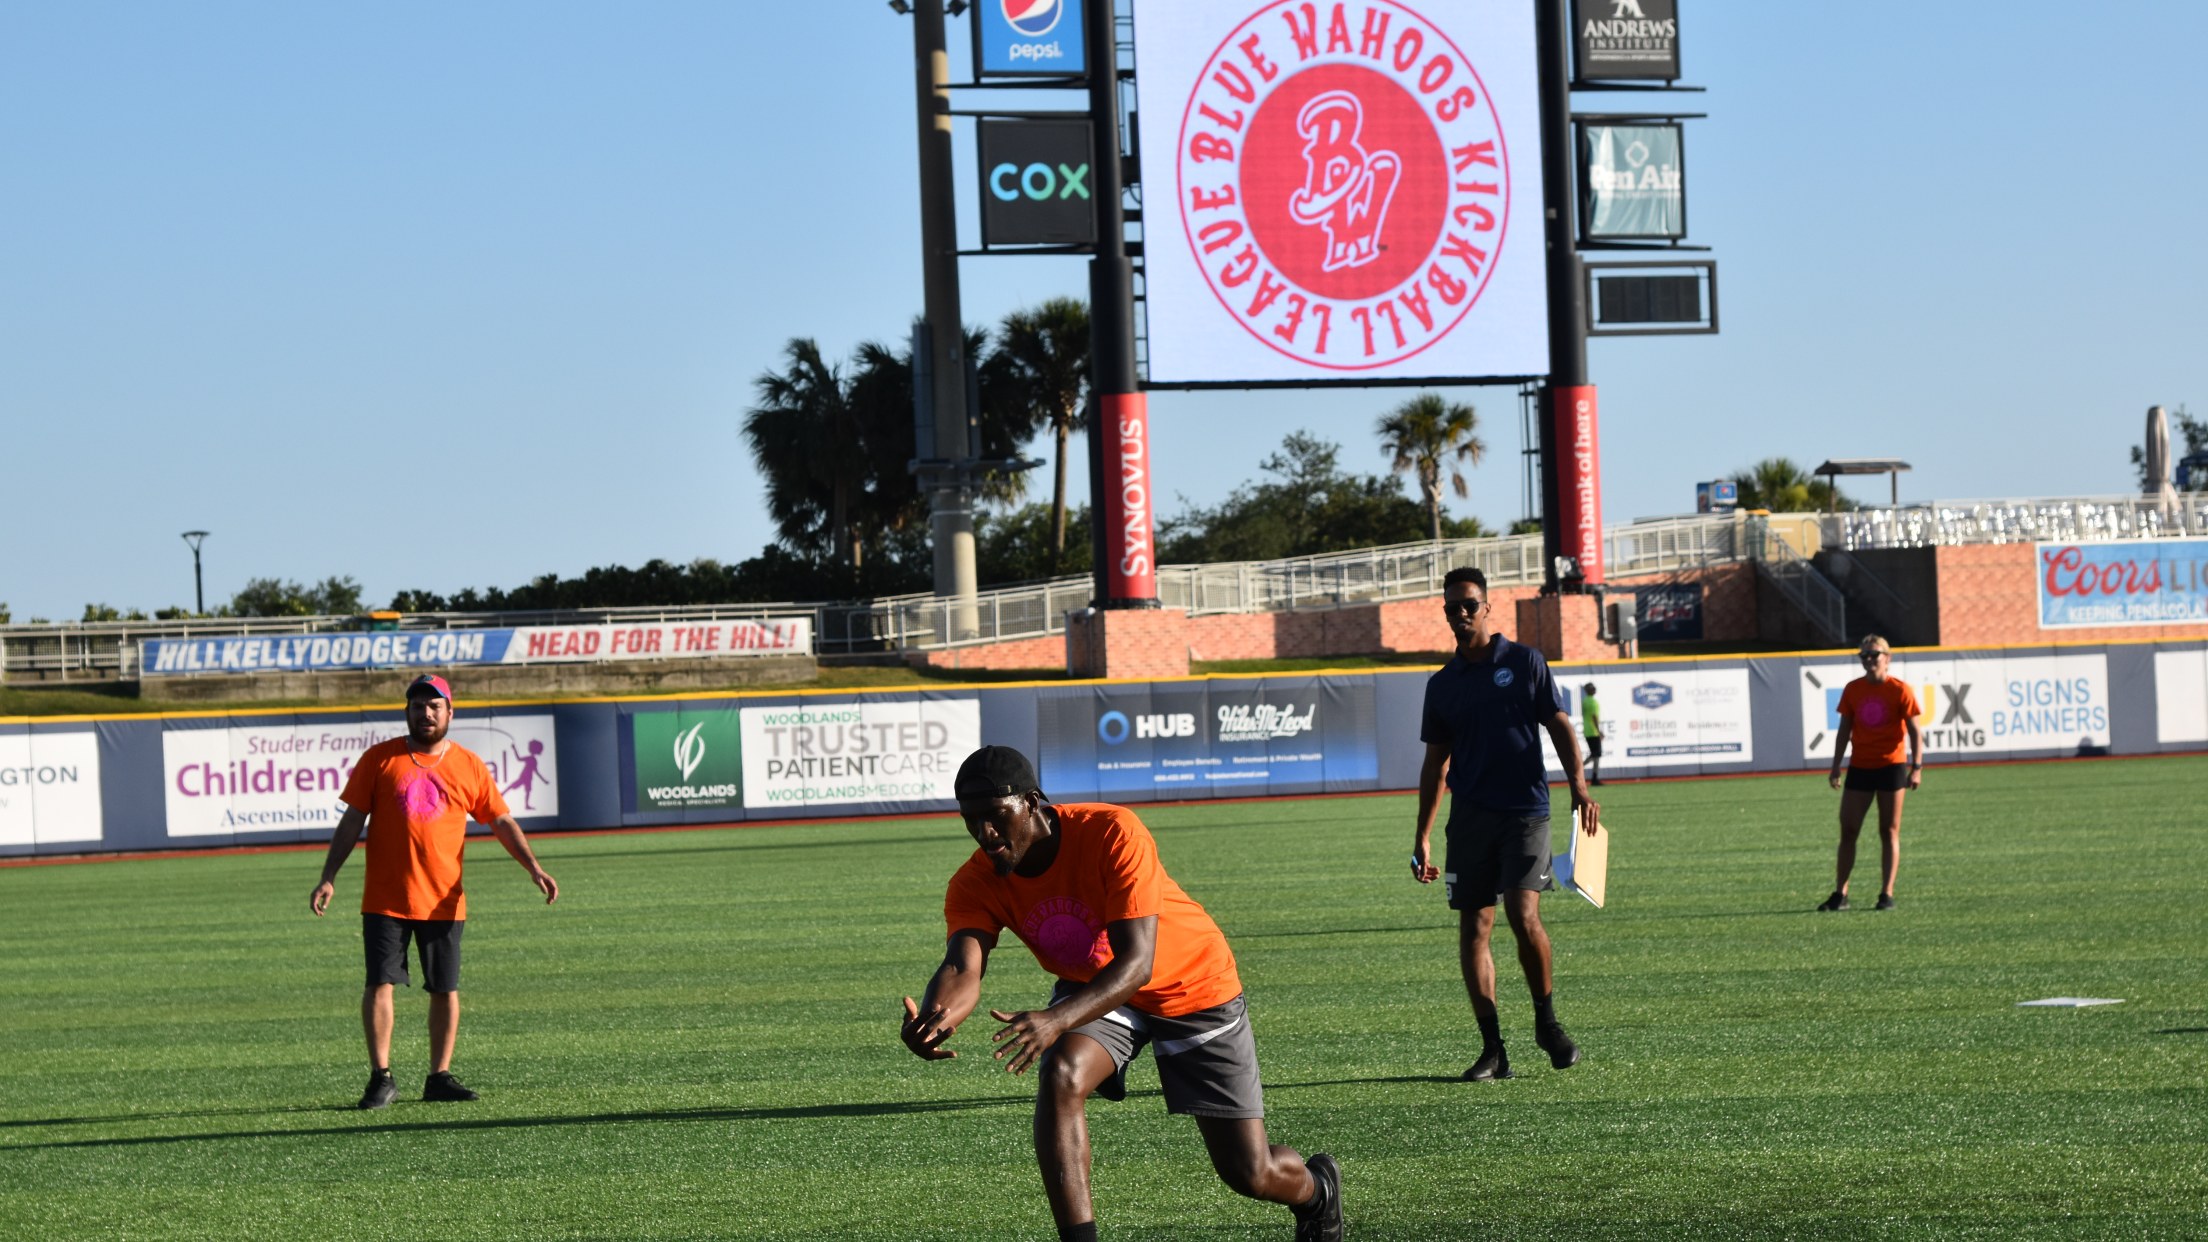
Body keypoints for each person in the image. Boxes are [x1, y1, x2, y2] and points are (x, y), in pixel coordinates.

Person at [899, 746, 1343, 1242]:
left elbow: (1136, 964)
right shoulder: (976, 880)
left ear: (1033, 802)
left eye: (996, 817)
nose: (986, 835)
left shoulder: (1111, 831)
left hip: (1192, 987)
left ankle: (1317, 1190)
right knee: (1061, 1071)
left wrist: (1055, 1019)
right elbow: (962, 965)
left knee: (1250, 1173)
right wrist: (936, 1017)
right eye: (972, 820)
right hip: (1098, 986)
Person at [309, 674, 559, 1110]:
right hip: (387, 896)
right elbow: (352, 821)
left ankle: (438, 1077)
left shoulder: (468, 765)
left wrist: (533, 867)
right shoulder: (380, 760)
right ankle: (380, 1078)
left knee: (445, 988)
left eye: (434, 705)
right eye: (417, 705)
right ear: (406, 711)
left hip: (445, 897)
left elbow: (500, 820)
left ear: (449, 712)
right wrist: (329, 874)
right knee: (379, 983)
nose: (425, 712)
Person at [1410, 566, 1599, 1082]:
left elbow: (1558, 724)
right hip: (1469, 817)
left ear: (1488, 606)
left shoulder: (1523, 662)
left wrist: (1579, 785)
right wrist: (1423, 835)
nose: (1462, 613)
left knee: (1523, 914)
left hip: (1525, 810)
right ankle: (1493, 1050)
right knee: (1475, 926)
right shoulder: (1443, 685)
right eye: (1452, 607)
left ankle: (1547, 1022)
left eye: (1470, 603)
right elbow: (1435, 765)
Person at [1820, 635, 1922, 912]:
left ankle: (1886, 894)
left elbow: (1914, 731)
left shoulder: (1900, 690)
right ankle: (1840, 893)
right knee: (1849, 829)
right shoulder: (1853, 690)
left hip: (1891, 766)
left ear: (1887, 658)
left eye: (1873, 654)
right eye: (1863, 655)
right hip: (1861, 767)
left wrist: (1917, 767)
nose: (1868, 660)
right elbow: (1844, 730)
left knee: (1888, 830)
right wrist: (1835, 765)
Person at [1580, 682, 1604, 785]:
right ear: (1589, 690)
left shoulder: (1584, 701)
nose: (1594, 689)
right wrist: (1599, 731)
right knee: (1596, 754)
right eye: (1592, 688)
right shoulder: (1593, 702)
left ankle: (1594, 778)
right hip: (1593, 732)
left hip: (1587, 731)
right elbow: (1594, 717)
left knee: (1595, 755)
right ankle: (1579, 768)